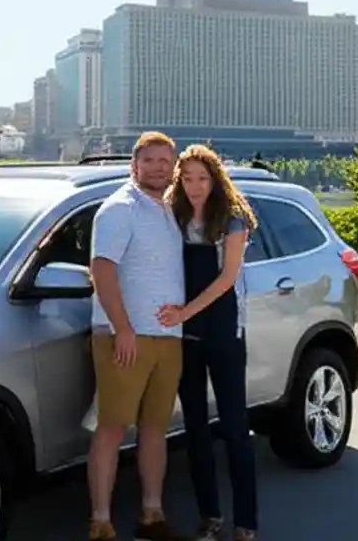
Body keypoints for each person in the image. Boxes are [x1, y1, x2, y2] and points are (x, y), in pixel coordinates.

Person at [86, 132, 190, 541]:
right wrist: (123, 329)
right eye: (150, 160)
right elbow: (102, 268)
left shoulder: (171, 210)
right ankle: (100, 521)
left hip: (169, 338)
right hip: (126, 337)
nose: (159, 167)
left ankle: (152, 514)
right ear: (135, 165)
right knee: (112, 427)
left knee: (154, 428)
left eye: (166, 160)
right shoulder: (118, 209)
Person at [158, 144, 260, 541]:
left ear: (216, 179)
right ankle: (210, 517)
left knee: (235, 428)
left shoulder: (231, 220)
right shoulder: (173, 217)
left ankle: (246, 521)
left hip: (222, 330)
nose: (195, 186)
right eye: (187, 179)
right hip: (186, 336)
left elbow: (227, 279)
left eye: (202, 178)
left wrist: (184, 312)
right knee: (195, 428)